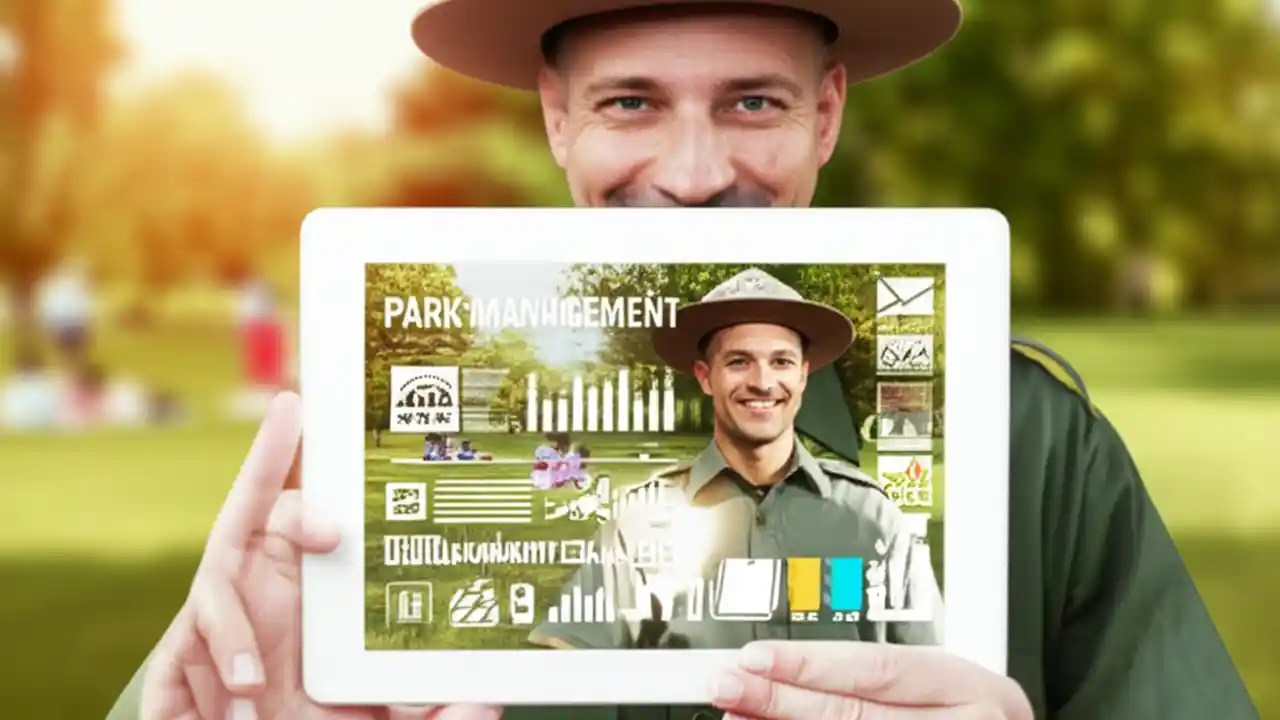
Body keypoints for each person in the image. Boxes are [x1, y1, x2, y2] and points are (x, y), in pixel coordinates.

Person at [106, 1, 1258, 719]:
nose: (696, 170)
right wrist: (212, 707)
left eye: (751, 101)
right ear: (558, 119)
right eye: (630, 102)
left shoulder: (1025, 441)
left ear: (825, 114)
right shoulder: (362, 460)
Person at [528, 268, 944, 655]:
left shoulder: (870, 514)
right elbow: (568, 659)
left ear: (803, 375)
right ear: (706, 376)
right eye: (738, 362)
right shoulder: (639, 519)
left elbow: (934, 672)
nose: (762, 382)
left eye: (781, 361)